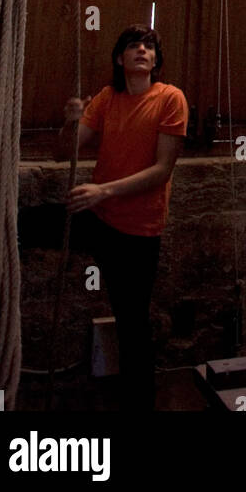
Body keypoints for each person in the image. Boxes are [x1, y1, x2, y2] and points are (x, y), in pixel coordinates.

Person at [59, 23, 188, 410]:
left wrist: (103, 190)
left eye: (149, 46)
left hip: (137, 230)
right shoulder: (107, 98)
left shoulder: (170, 98)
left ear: (155, 60)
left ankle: (140, 403)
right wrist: (70, 119)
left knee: (133, 323)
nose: (142, 51)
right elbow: (66, 151)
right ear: (120, 58)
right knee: (17, 225)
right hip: (99, 217)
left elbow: (162, 170)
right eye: (134, 46)